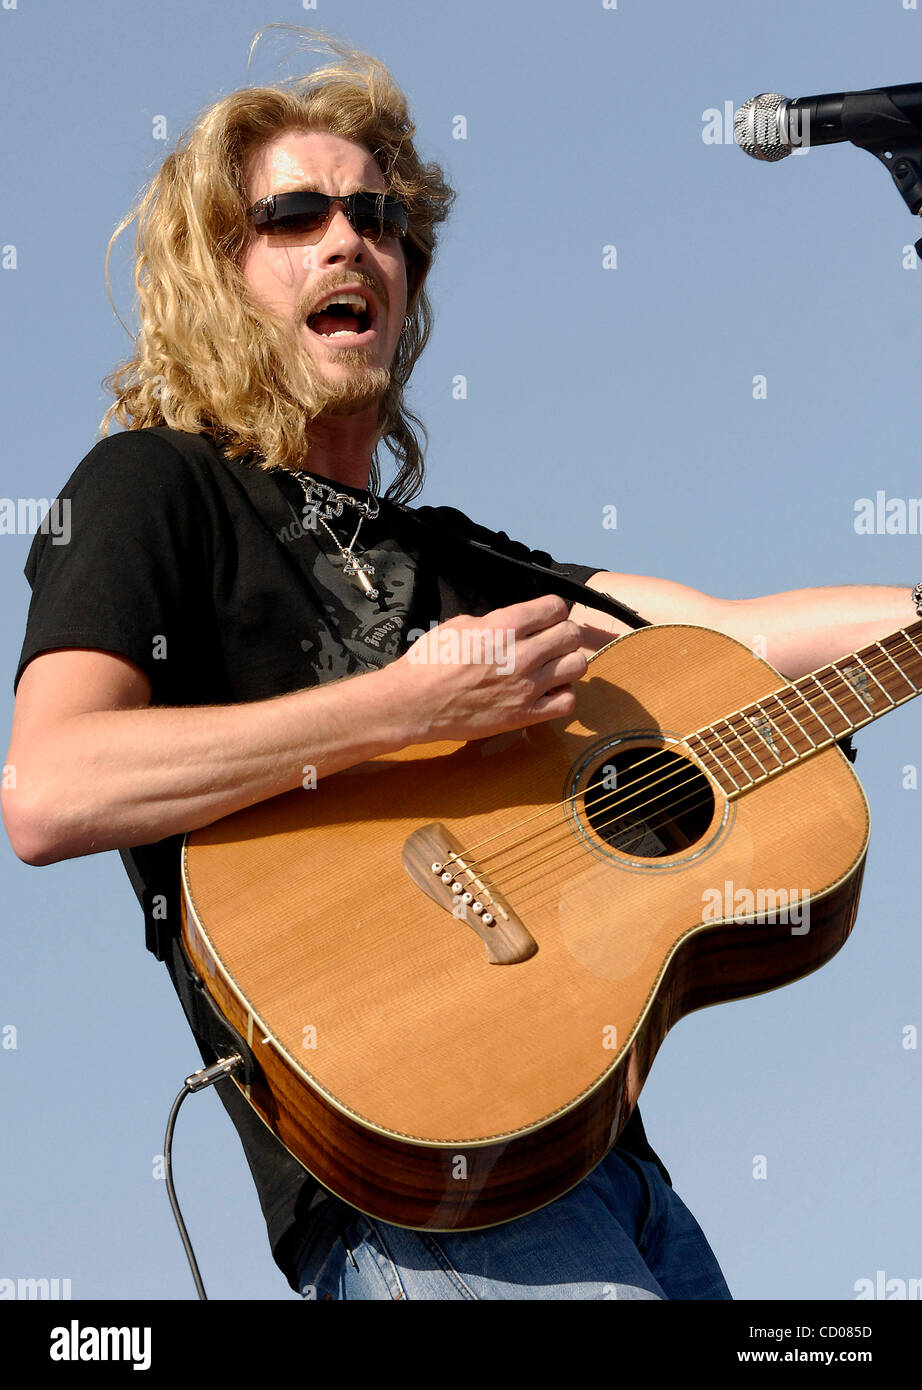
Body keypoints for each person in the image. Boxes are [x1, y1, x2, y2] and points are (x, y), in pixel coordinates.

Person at [2, 35, 916, 1301]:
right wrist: (402, 707)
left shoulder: (457, 556)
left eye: (377, 219)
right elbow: (48, 787)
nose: (349, 241)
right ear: (221, 273)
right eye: (295, 216)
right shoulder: (153, 488)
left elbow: (735, 638)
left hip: (592, 1157)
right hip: (414, 1187)